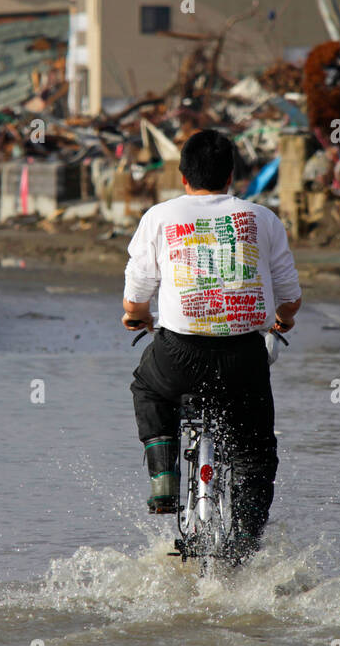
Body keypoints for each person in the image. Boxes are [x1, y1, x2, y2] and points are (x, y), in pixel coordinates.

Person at [122, 128, 302, 562]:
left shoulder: (160, 217)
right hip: (244, 359)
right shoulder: (262, 218)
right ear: (231, 177)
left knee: (147, 387)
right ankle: (242, 549)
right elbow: (290, 298)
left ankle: (164, 477)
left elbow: (134, 298)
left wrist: (138, 317)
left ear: (183, 176)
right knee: (256, 458)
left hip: (178, 354)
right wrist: (284, 319)